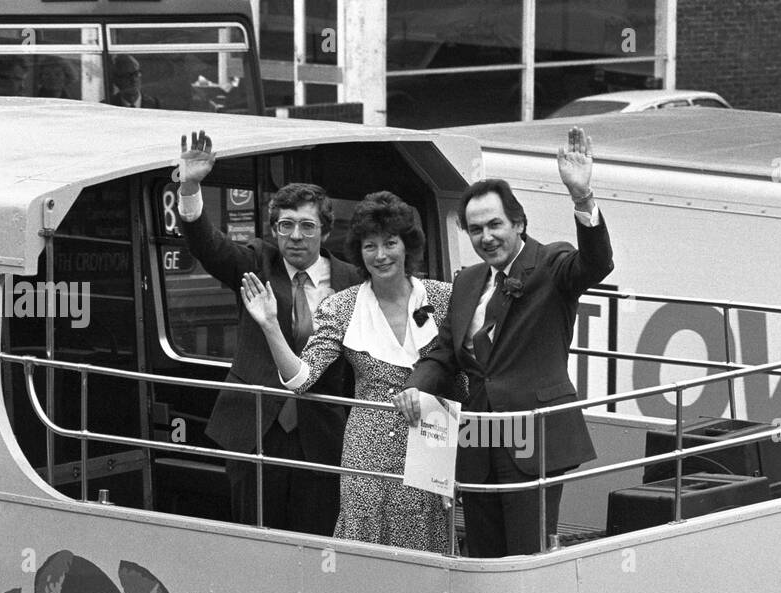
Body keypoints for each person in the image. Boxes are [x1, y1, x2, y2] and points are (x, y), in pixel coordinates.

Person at [393, 127, 613, 557]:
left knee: (528, 554)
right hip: (478, 437)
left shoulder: (551, 263)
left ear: (519, 223)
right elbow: (443, 352)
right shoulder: (468, 281)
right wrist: (418, 387)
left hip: (534, 435)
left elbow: (596, 263)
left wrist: (583, 198)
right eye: (475, 230)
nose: (486, 237)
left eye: (495, 225)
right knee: (483, 550)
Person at [241, 192, 459, 553]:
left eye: (390, 243)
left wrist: (452, 457)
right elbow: (301, 378)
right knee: (364, 550)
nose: (381, 255)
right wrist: (269, 326)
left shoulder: (444, 297)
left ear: (408, 246)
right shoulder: (342, 305)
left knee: (427, 546)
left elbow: (461, 374)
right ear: (359, 252)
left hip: (431, 440)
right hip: (366, 447)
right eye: (370, 246)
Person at [176, 130, 360, 531]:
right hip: (256, 429)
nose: (296, 236)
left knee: (315, 546)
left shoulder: (352, 280)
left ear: (325, 232)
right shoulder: (256, 264)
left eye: (307, 227)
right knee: (255, 543)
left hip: (322, 435)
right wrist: (190, 186)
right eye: (286, 225)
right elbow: (208, 246)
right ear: (274, 230)